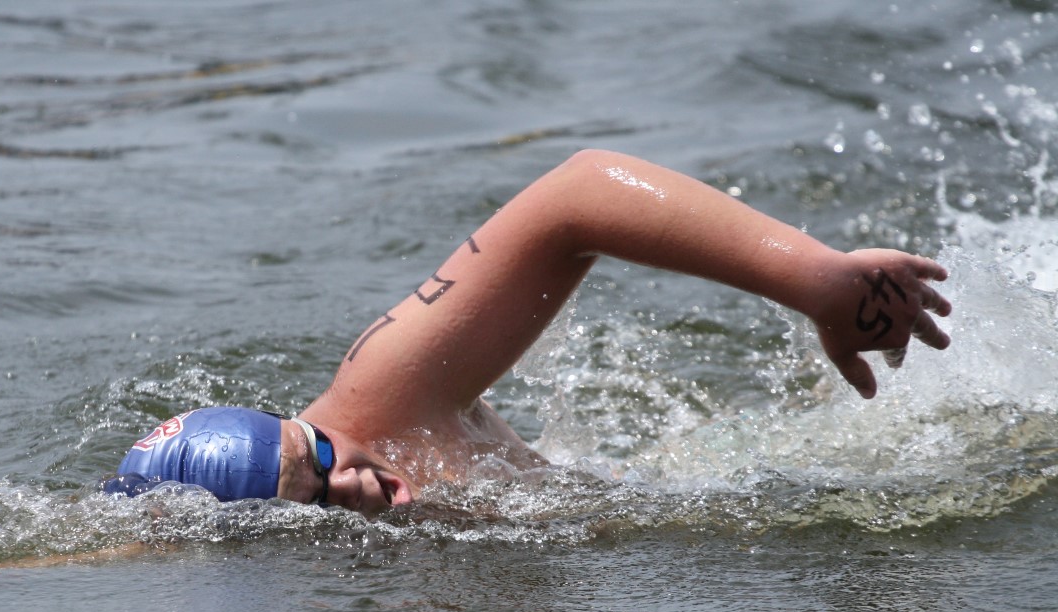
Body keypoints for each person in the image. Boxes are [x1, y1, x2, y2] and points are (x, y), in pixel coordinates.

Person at [108, 149, 952, 516]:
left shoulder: (385, 396)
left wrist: (813, 278)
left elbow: (580, 193)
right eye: (316, 509)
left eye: (321, 460)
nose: (354, 487)